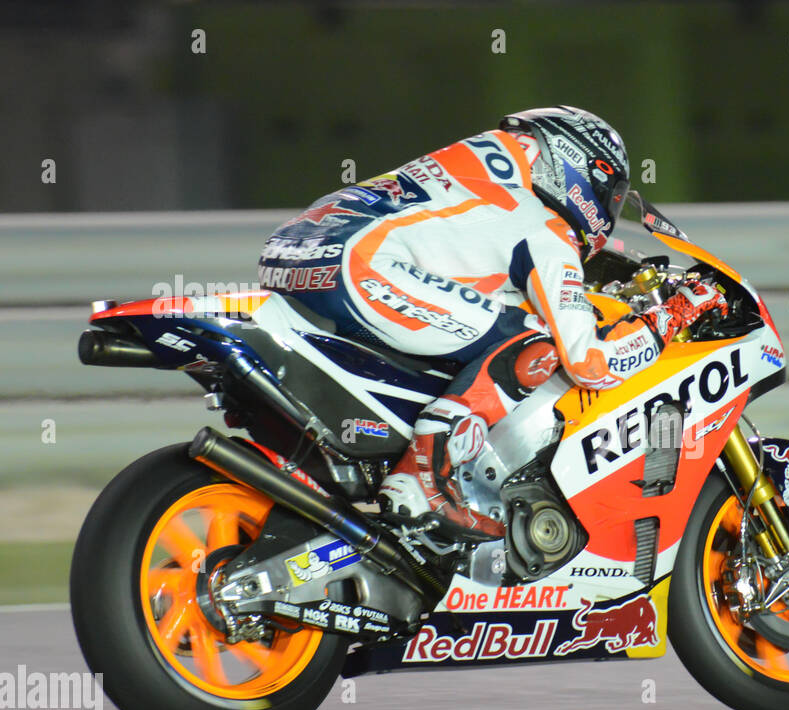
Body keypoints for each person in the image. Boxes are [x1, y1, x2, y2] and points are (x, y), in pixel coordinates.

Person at [258, 106, 727, 541]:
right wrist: (672, 314)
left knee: (489, 335)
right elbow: (588, 363)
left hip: (292, 253)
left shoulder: (481, 185)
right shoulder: (545, 226)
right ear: (583, 174)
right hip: (358, 265)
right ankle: (426, 476)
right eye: (612, 195)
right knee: (536, 340)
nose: (609, 209)